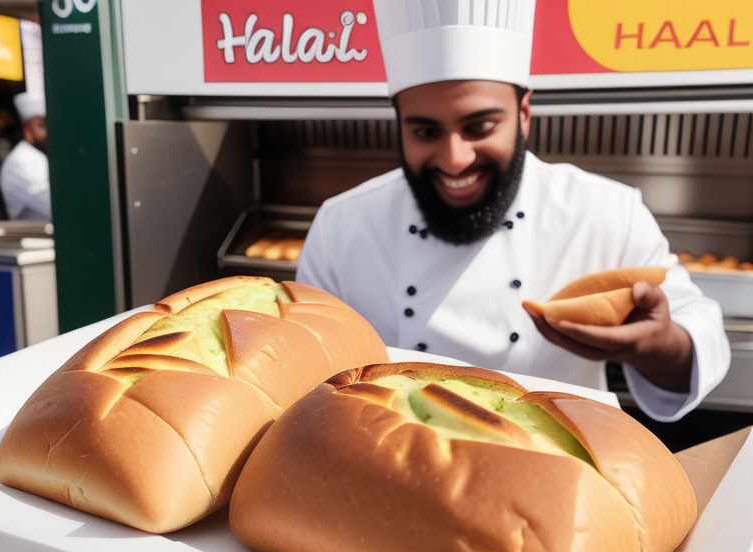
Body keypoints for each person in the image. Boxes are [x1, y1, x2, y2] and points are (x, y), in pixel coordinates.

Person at [297, 0, 731, 423]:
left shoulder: (607, 212)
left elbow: (699, 335)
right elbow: (310, 376)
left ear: (523, 114)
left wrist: (655, 347)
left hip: (559, 477)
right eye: (426, 131)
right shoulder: (340, 227)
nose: (455, 159)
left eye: (479, 126)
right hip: (385, 475)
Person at [0, 91, 52, 222]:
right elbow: (55, 208)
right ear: (27, 130)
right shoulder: (22, 160)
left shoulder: (39, 155)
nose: (48, 131)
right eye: (42, 125)